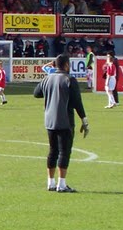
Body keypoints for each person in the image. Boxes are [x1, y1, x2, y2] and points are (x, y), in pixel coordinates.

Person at [32, 53, 89, 192]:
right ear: (67, 65)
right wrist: (84, 120)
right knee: (64, 151)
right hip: (65, 121)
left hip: (49, 121)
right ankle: (61, 184)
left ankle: (50, 182)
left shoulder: (47, 79)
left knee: (53, 151)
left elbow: (36, 93)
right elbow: (77, 102)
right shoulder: (69, 79)